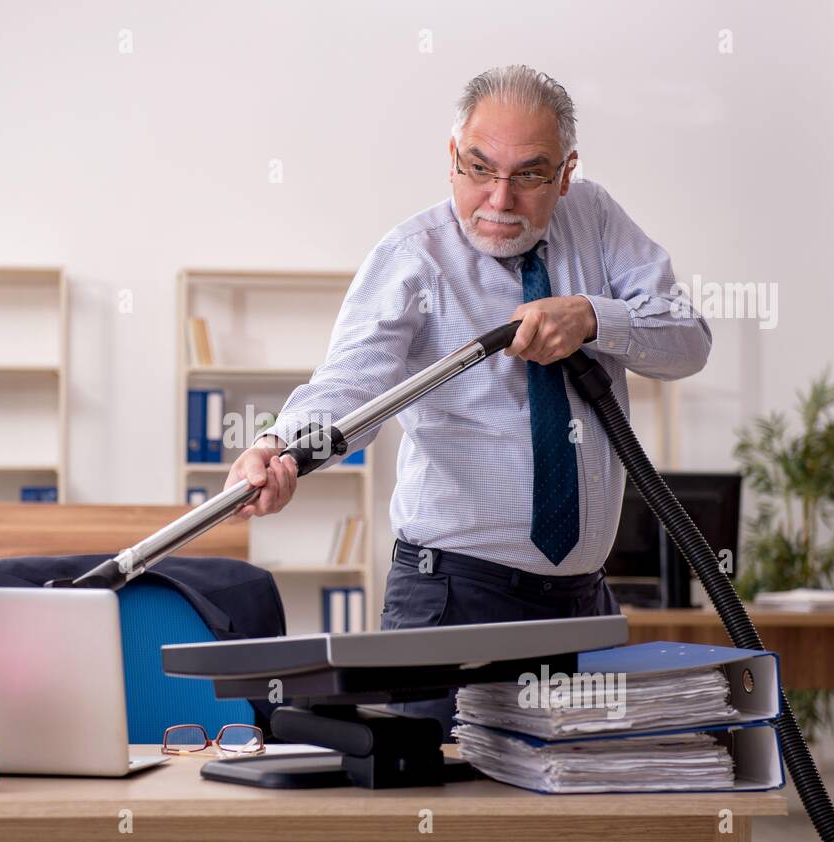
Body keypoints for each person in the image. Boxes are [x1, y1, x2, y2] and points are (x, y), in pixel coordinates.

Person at [224, 65, 712, 738]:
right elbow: (348, 383)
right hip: (454, 599)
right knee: (444, 824)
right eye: (479, 168)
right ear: (451, 155)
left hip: (582, 602)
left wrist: (595, 318)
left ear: (566, 174)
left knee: (576, 823)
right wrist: (280, 447)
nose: (499, 198)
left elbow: (687, 340)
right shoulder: (413, 258)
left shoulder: (594, 219)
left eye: (530, 176)